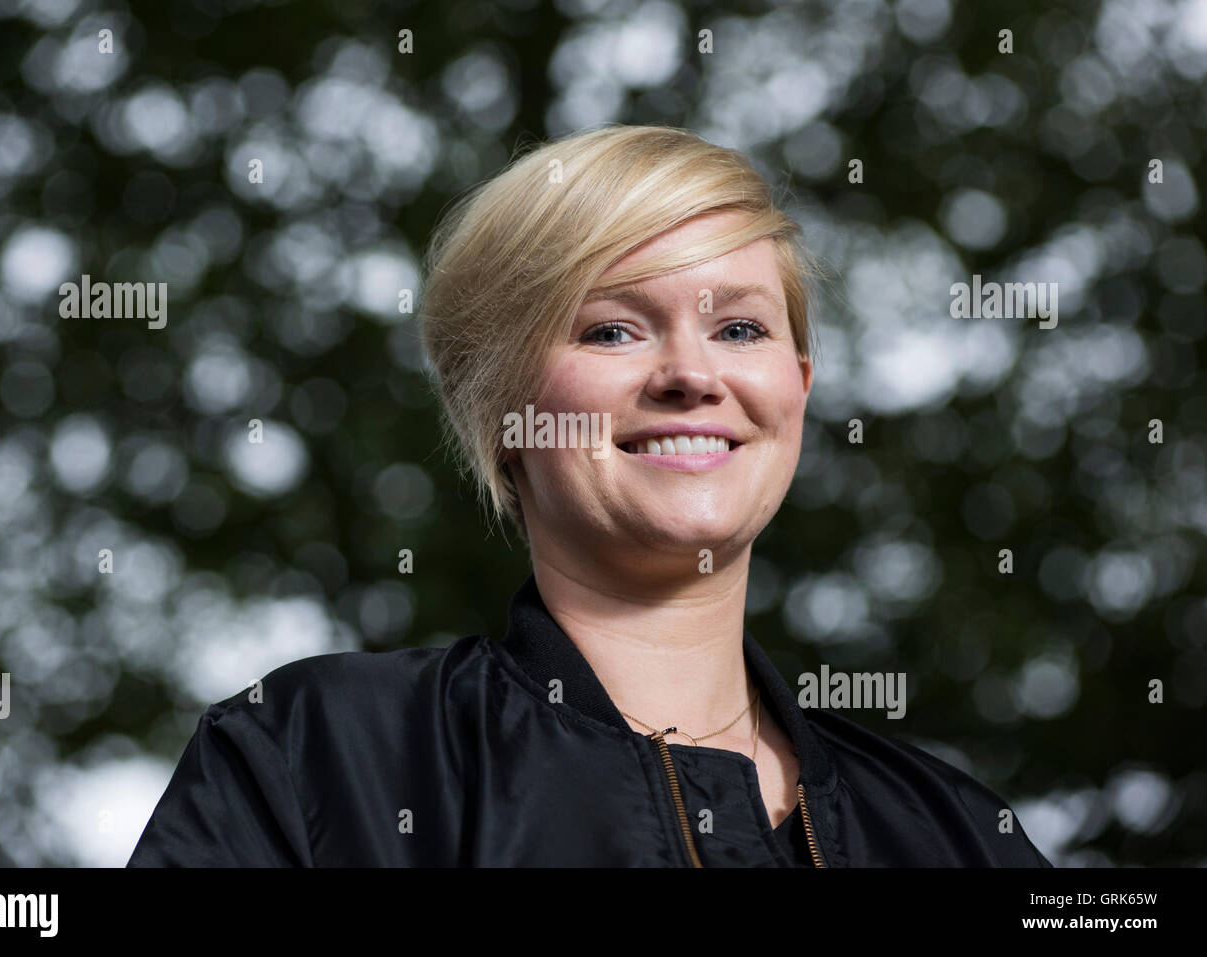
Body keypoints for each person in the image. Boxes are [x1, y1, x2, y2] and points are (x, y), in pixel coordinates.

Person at [128, 124, 1053, 867]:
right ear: (499, 410)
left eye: (739, 326)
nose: (692, 373)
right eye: (612, 330)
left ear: (798, 389)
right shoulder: (317, 758)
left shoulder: (961, 833)